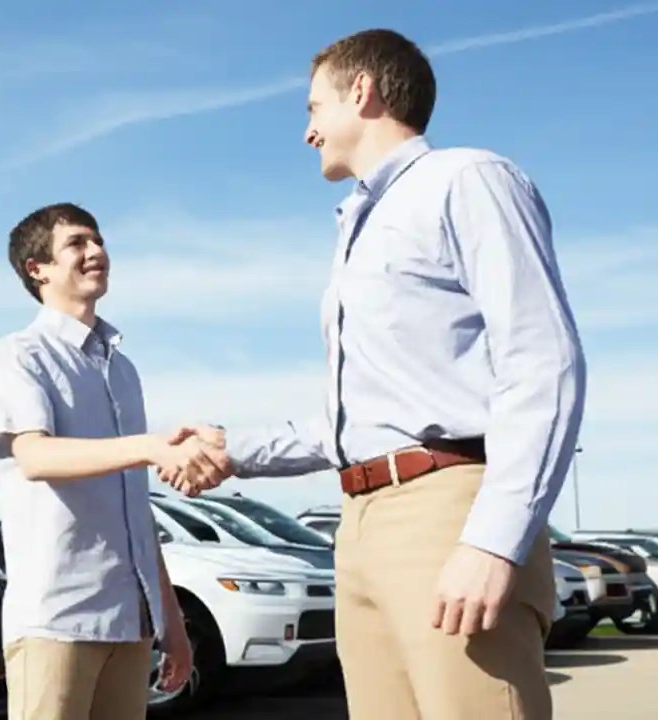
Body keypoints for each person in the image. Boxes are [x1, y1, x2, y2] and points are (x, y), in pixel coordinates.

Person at [163, 28, 586, 719]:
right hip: (359, 527)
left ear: (361, 91)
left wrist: (493, 540)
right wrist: (230, 449)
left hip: (446, 508)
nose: (307, 132)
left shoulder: (466, 179)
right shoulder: (358, 227)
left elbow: (544, 361)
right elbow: (357, 421)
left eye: (313, 109)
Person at [0, 202, 230, 720]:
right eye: (77, 243)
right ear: (37, 269)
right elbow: (35, 456)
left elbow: (135, 510)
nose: (96, 252)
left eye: (98, 241)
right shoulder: (19, 354)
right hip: (57, 620)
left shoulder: (123, 371)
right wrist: (150, 446)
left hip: (129, 624)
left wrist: (173, 625)